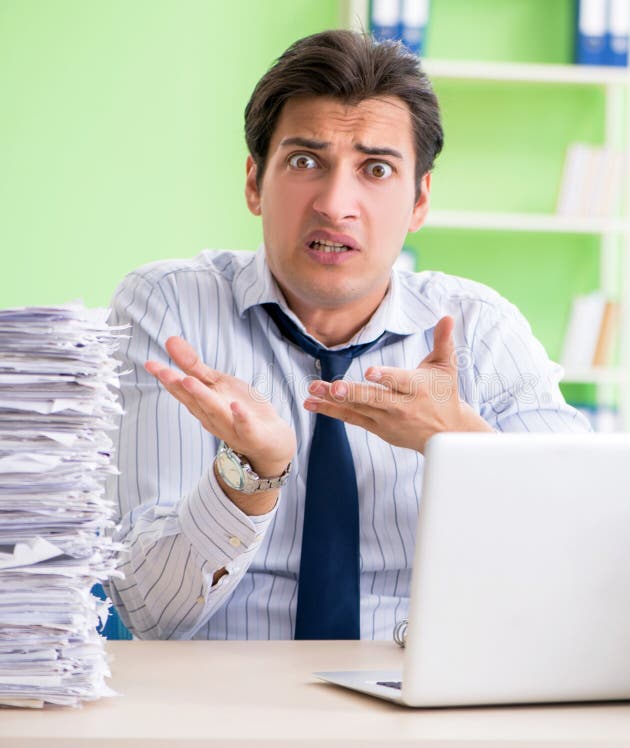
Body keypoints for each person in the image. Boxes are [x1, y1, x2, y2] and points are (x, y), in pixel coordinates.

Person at [106, 29, 590, 641]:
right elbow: (149, 614)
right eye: (305, 162)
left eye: (377, 169)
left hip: (418, 696)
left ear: (420, 201)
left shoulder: (481, 328)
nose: (336, 204)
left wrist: (461, 441)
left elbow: (585, 545)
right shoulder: (168, 308)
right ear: (255, 182)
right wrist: (250, 475)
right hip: (225, 702)